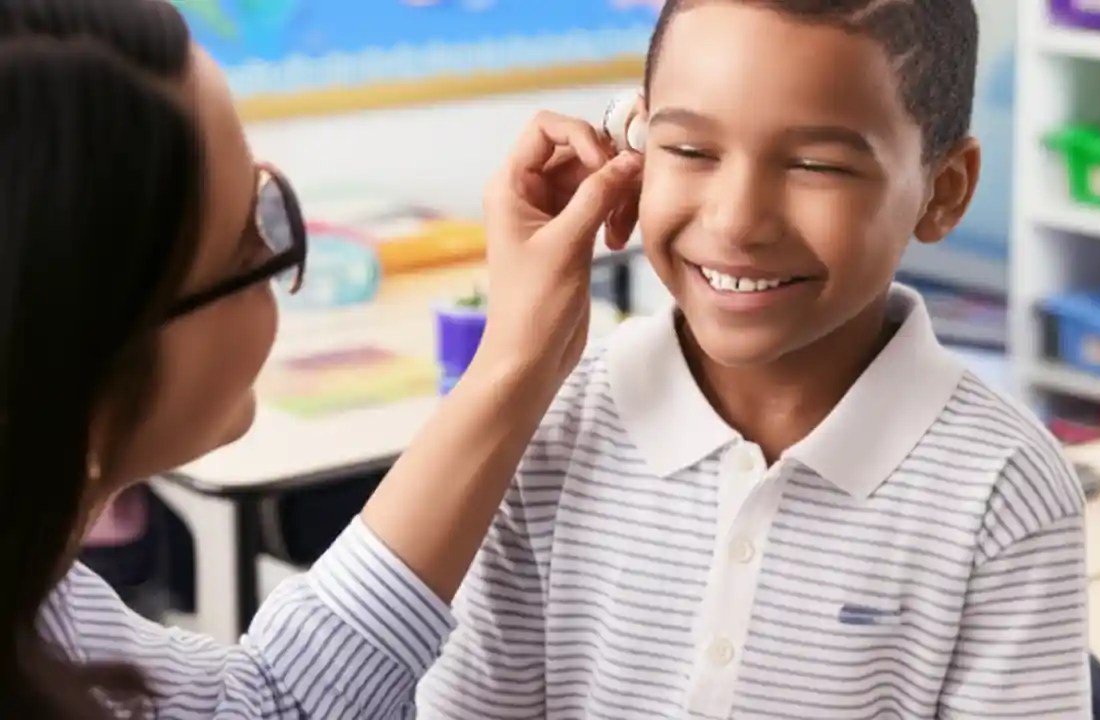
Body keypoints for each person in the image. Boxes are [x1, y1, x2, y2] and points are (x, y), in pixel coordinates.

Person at [419, 1, 1089, 718]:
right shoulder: (548, 427)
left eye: (815, 165)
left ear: (943, 190)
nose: (737, 220)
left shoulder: (1005, 489)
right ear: (633, 151)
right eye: (690, 151)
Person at [0, 0, 642, 717]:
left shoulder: (43, 603)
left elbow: (269, 702)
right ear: (89, 391)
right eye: (254, 236)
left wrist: (513, 361)